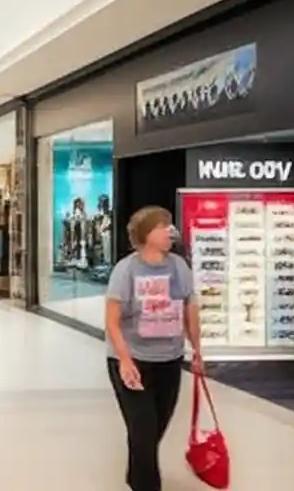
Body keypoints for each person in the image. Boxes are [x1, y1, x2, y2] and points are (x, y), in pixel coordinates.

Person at [105, 206, 203, 491]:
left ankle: (135, 475)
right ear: (146, 234)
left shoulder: (179, 267)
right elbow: (112, 321)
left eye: (170, 225)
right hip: (131, 360)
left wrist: (197, 350)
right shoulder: (126, 270)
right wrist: (124, 360)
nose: (170, 232)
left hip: (169, 360)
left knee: (155, 428)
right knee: (143, 430)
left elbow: (190, 309)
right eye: (163, 226)